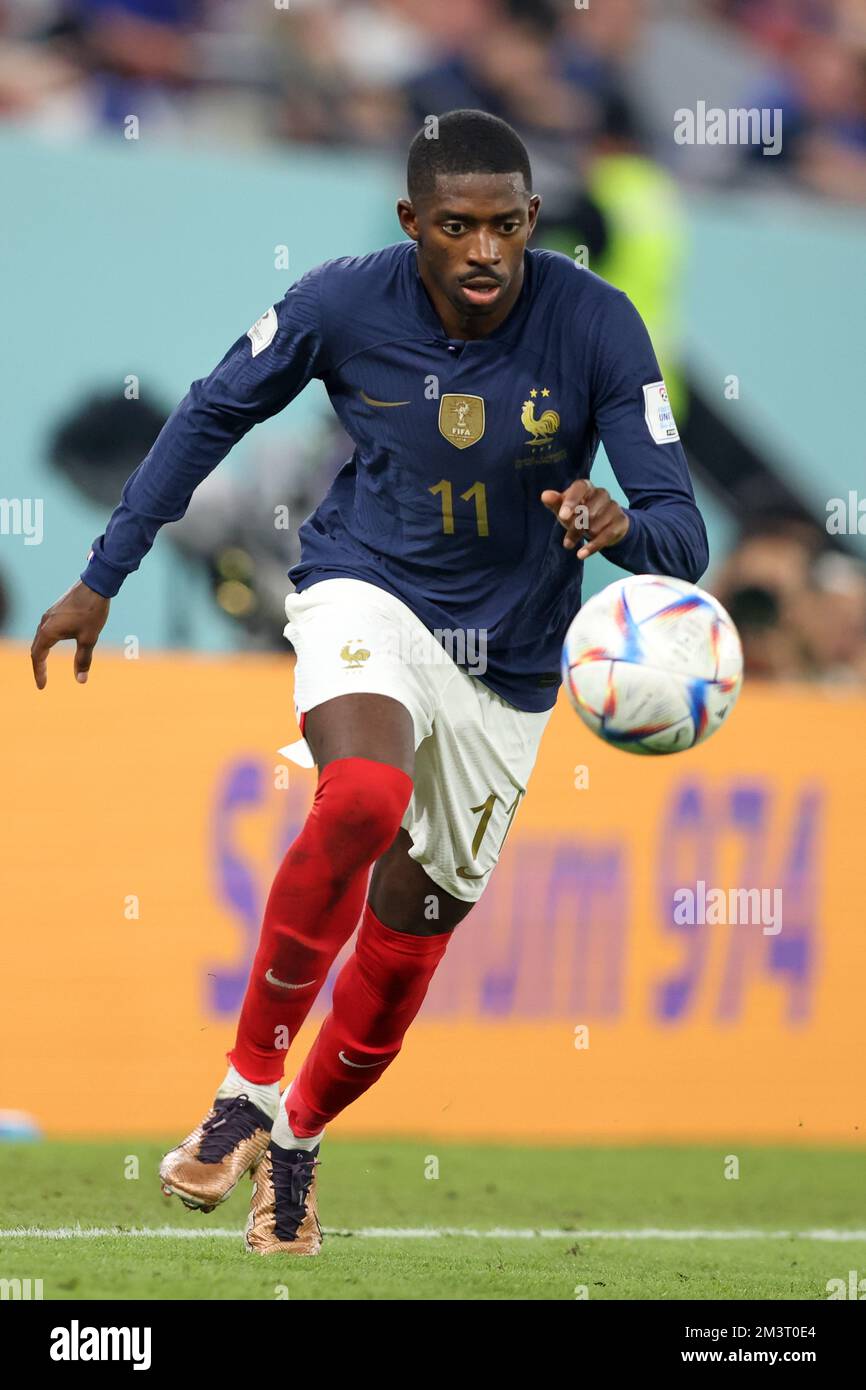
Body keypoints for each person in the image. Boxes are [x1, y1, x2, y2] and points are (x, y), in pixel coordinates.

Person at [30, 109, 708, 1256]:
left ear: (533, 222)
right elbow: (205, 415)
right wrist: (104, 574)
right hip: (369, 591)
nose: (483, 251)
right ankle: (242, 1087)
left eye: (504, 225)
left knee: (404, 956)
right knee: (358, 798)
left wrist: (623, 521)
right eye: (456, 226)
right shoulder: (340, 302)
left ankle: (292, 1140)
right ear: (412, 225)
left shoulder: (596, 324)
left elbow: (682, 535)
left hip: (515, 659)